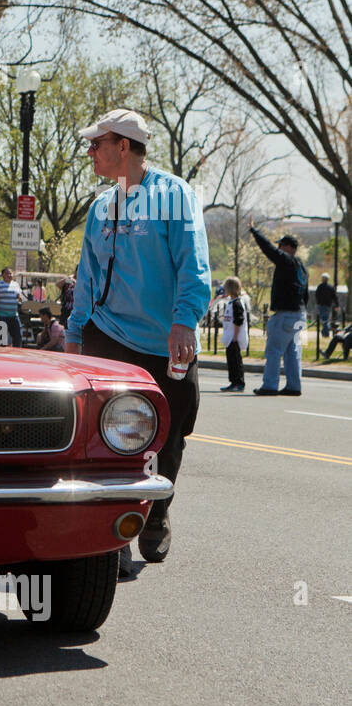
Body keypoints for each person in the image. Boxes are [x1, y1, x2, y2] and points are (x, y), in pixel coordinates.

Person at [65, 108, 211, 575]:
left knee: (170, 436)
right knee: (109, 440)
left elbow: (193, 261)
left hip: (165, 341)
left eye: (96, 143)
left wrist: (184, 322)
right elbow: (86, 276)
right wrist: (74, 335)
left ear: (122, 146)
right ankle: (116, 537)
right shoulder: (99, 206)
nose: (90, 151)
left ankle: (158, 514)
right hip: (107, 337)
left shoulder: (174, 196)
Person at [249, 226, 307, 396]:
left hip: (285, 314)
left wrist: (255, 232)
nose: (279, 249)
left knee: (274, 350)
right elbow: (306, 293)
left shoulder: (287, 261)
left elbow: (269, 250)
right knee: (293, 353)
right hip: (299, 313)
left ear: (289, 248)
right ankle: (294, 386)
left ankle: (270, 385)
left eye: (282, 245)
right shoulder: (302, 267)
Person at [219, 276, 247, 392]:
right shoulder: (231, 302)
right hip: (229, 337)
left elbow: (238, 320)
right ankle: (233, 382)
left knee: (236, 361)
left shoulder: (237, 303)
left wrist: (235, 337)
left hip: (234, 338)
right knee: (230, 361)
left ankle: (239, 383)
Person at [0, 266, 26, 346]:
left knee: (18, 337)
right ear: (2, 275)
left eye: (10, 273)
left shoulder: (16, 285)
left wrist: (19, 297)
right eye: (7, 273)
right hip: (2, 316)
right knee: (1, 340)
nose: (9, 275)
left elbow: (19, 295)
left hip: (14, 316)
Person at [314, 272, 335, 337]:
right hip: (328, 305)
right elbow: (334, 296)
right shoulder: (330, 287)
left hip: (321, 305)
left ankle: (325, 333)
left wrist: (318, 302)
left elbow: (316, 295)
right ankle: (324, 332)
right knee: (325, 319)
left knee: (324, 319)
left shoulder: (320, 286)